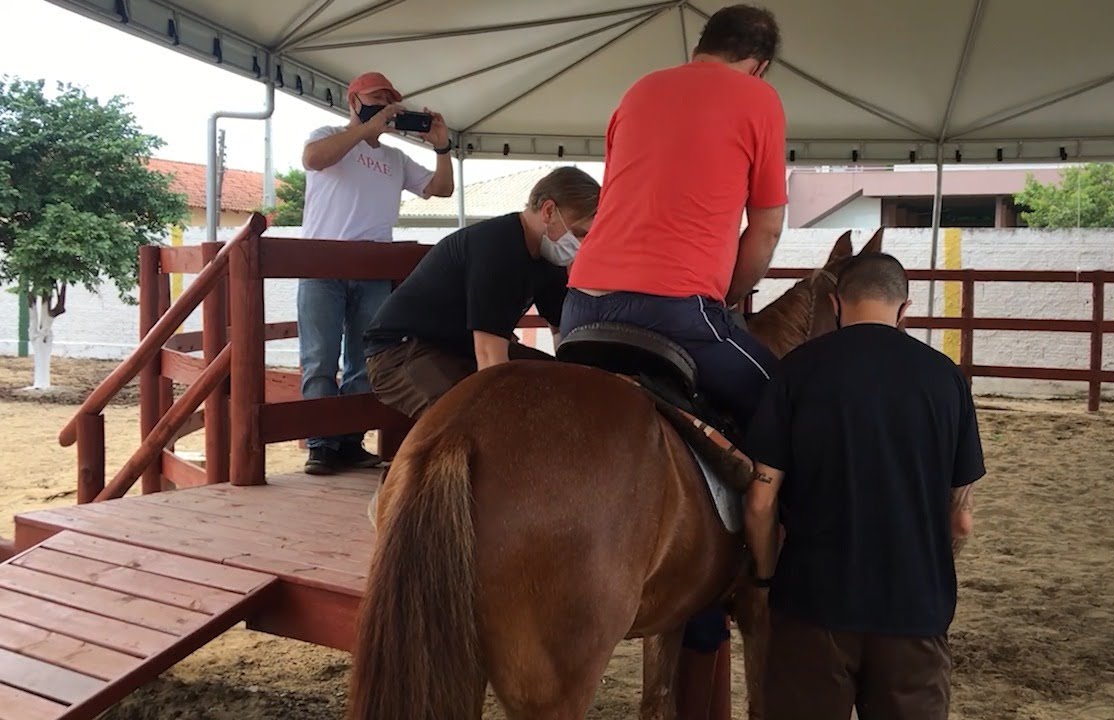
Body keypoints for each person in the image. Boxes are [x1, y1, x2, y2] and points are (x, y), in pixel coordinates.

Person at [554, 6, 788, 711]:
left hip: (582, 307)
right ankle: (762, 574)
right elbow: (766, 228)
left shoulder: (639, 91)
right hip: (679, 312)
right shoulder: (758, 99)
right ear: (760, 63)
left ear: (702, 46)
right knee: (784, 404)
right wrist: (729, 297)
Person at [741, 252, 986, 720]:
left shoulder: (796, 370)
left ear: (835, 303)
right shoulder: (946, 379)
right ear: (905, 309)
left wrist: (767, 576)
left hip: (812, 607)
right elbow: (961, 519)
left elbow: (760, 500)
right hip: (914, 612)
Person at [297, 71, 455, 476]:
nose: (386, 105)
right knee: (319, 359)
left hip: (372, 270)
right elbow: (312, 159)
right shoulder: (327, 135)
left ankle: (350, 442)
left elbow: (442, 189)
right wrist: (365, 131)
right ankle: (321, 445)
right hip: (321, 265)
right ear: (353, 101)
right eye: (377, 97)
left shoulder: (395, 159)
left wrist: (442, 146)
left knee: (364, 361)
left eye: (390, 99)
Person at [364, 166, 600, 419]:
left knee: (557, 383)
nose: (580, 245)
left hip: (462, 349)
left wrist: (580, 386)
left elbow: (562, 331)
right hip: (400, 352)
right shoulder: (498, 249)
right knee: (470, 420)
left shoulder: (547, 257)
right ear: (549, 211)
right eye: (578, 233)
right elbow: (489, 357)